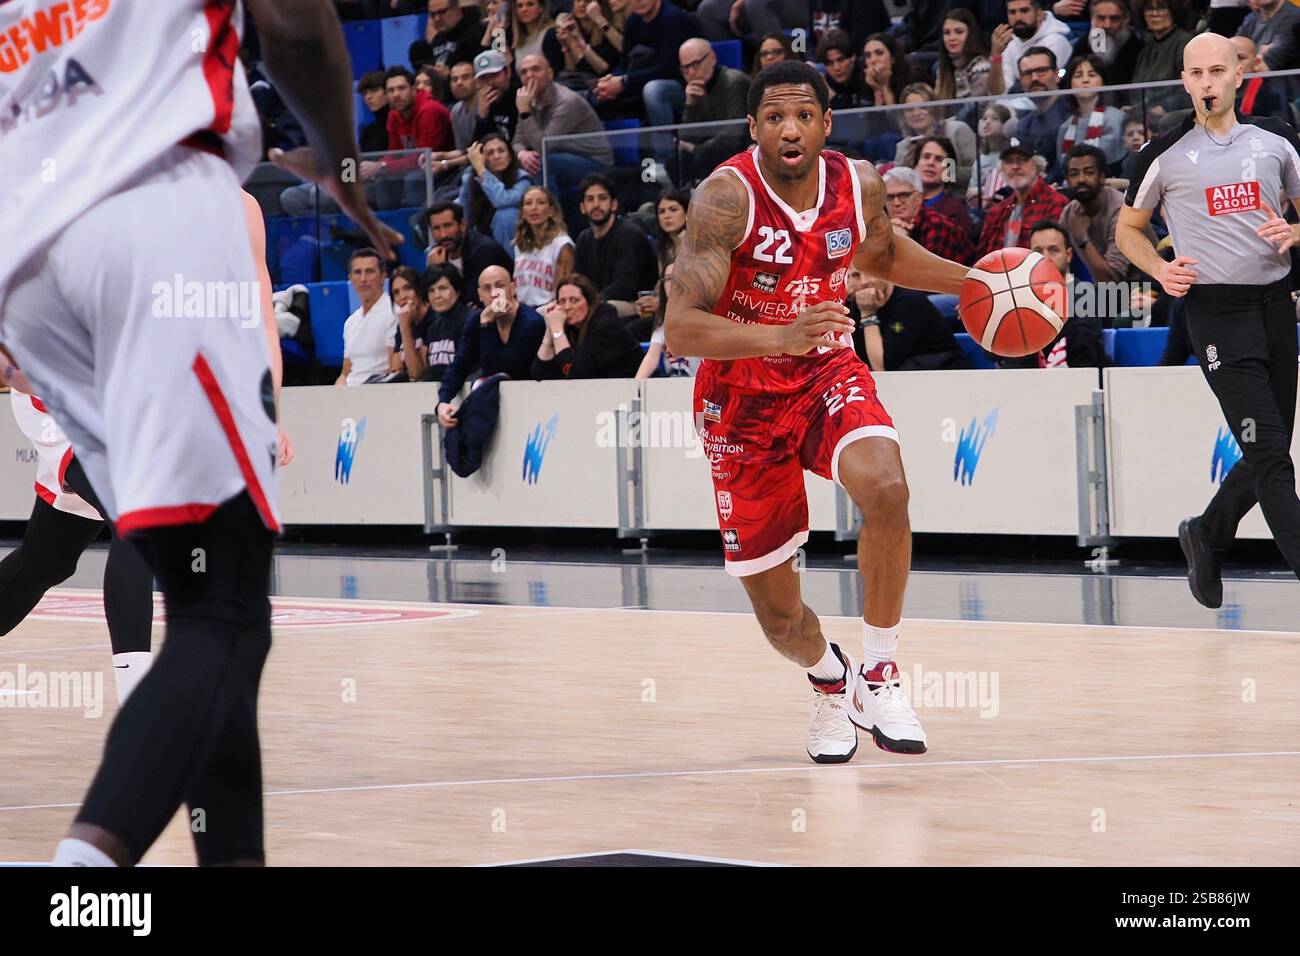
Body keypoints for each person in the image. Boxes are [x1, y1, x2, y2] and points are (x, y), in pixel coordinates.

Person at [0, 0, 400, 868]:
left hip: (23, 249)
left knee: (196, 603)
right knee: (223, 615)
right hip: (151, 224)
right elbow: (295, 24)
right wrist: (342, 158)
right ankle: (85, 879)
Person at [665, 62, 978, 762]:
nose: (789, 128)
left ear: (825, 124)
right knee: (780, 619)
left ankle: (883, 667)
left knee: (887, 486)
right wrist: (778, 334)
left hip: (823, 370)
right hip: (738, 399)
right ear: (754, 128)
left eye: (803, 115)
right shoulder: (725, 198)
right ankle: (831, 681)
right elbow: (681, 328)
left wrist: (980, 280)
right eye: (774, 117)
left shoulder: (856, 182)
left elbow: (885, 252)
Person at [1116, 31, 1300, 608]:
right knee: (1271, 455)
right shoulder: (1163, 155)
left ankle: (1207, 531)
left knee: (1266, 451)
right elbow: (1127, 229)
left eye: (1217, 72)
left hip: (1275, 307)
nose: (1207, 84)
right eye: (1196, 74)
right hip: (1216, 317)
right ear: (1185, 81)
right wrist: (1158, 270)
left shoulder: (1276, 140)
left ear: (1239, 74)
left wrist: (1297, 232)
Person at [511, 53, 614, 232]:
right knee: (531, 163)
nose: (529, 76)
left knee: (542, 164)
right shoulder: (529, 101)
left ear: (550, 74)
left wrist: (525, 111)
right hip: (560, 158)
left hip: (595, 162)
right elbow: (517, 141)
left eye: (536, 69)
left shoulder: (566, 101)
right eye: (524, 72)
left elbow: (543, 144)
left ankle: (552, 228)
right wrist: (521, 154)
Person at [436, 266, 547, 427]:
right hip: (498, 410)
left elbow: (500, 370)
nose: (494, 293)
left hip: (532, 404)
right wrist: (443, 401)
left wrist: (487, 323)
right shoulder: (476, 321)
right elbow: (460, 364)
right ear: (480, 295)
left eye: (500, 286)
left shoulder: (531, 321)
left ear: (512, 288)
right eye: (487, 288)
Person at [1000, 219, 1110, 367]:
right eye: (1038, 251)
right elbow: (992, 353)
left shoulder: (1086, 294)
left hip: (1076, 375)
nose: (1045, 258)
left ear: (1069, 255)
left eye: (1053, 250)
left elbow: (1085, 344)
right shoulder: (1021, 296)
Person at [1059, 143, 1153, 282]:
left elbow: (1110, 281)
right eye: (1074, 174)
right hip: (1098, 293)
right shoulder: (1069, 213)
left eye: (1089, 172)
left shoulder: (1122, 211)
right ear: (1067, 180)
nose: (1081, 179)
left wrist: (1082, 239)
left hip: (1143, 289)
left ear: (1102, 177)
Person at [573, 173, 661, 316]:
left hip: (634, 306)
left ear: (613, 204)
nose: (596, 205)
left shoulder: (629, 234)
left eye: (602, 198)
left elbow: (624, 287)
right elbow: (578, 281)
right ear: (583, 207)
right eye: (590, 199)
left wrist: (588, 302)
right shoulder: (583, 238)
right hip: (596, 302)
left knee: (602, 309)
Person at [848, 274, 972, 371]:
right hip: (905, 380)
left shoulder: (909, 302)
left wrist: (868, 315)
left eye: (871, 273)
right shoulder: (857, 304)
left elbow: (883, 367)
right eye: (855, 275)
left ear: (885, 274)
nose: (864, 281)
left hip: (944, 375)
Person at [533, 274, 645, 378]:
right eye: (562, 301)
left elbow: (574, 371)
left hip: (632, 389)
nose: (567, 307)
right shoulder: (566, 326)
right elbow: (539, 374)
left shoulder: (606, 325)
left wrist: (557, 331)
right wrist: (550, 330)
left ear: (589, 302)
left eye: (574, 300)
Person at [976, 137, 1070, 258]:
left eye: (1023, 160)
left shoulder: (1056, 203)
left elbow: (1055, 258)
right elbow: (981, 259)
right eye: (1009, 161)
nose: (1015, 166)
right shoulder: (997, 211)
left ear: (1037, 165)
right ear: (1002, 168)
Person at [679, 38, 753, 180]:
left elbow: (734, 133)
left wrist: (697, 149)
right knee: (674, 163)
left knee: (703, 157)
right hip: (714, 148)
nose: (691, 73)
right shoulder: (696, 88)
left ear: (712, 58)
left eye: (695, 64)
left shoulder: (734, 82)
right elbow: (686, 138)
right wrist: (690, 104)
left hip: (741, 147)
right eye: (685, 69)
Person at [423, 201, 513, 305]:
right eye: (436, 228)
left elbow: (472, 299)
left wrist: (441, 269)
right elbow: (427, 300)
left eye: (448, 226)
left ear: (463, 225)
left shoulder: (485, 251)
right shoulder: (436, 254)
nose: (443, 234)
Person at [458, 133, 532, 255]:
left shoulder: (523, 179)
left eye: (501, 151)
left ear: (510, 154)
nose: (497, 156)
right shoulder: (469, 180)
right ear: (482, 158)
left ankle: (510, 268)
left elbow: (502, 200)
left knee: (506, 215)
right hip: (482, 242)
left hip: (518, 244)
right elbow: (464, 216)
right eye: (490, 153)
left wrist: (481, 170)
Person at [883, 166, 973, 265]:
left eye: (903, 195)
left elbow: (925, 275)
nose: (896, 203)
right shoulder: (884, 226)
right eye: (890, 197)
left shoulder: (936, 226)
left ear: (920, 197)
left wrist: (900, 242)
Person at [894, 83, 977, 187]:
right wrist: (906, 167)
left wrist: (944, 172)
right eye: (909, 109)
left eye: (923, 107)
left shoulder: (957, 130)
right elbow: (897, 183)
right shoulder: (903, 146)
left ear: (934, 109)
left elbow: (978, 171)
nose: (916, 113)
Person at [1056, 55, 1128, 172]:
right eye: (1078, 76)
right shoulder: (1065, 126)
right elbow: (1062, 163)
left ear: (1102, 82)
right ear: (1070, 84)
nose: (1085, 80)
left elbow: (1114, 154)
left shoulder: (1115, 117)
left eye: (1092, 75)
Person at [338, 248, 398, 386]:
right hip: (349, 393)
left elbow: (393, 370)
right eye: (357, 272)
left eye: (369, 271)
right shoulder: (350, 322)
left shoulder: (393, 312)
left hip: (378, 392)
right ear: (350, 278)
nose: (363, 279)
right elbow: (345, 373)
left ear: (383, 276)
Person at [989, 0, 1075, 94]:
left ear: (1039, 14)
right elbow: (998, 94)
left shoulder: (1056, 41)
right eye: (1012, 12)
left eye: (1024, 11)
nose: (1018, 18)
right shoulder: (1010, 43)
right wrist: (996, 56)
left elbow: (1043, 87)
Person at [512, 186, 576, 307]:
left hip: (549, 310)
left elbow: (563, 291)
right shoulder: (519, 245)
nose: (534, 208)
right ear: (522, 213)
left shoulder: (562, 244)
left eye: (541, 202)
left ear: (551, 210)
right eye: (528, 203)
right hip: (522, 310)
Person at [1131, 0, 1193, 118]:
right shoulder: (1145, 51)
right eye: (1149, 9)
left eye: (1161, 8)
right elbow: (1137, 90)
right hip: (1145, 116)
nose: (1155, 14)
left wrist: (1165, 107)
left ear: (1173, 12)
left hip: (1173, 116)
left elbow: (1191, 87)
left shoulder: (1185, 43)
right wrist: (1135, 108)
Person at [1067, 0, 1143, 88]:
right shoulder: (1082, 47)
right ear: (1092, 18)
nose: (1107, 25)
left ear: (1126, 19)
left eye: (1114, 18)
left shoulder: (1137, 49)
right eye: (1101, 18)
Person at [421, 263, 474, 383]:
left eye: (443, 288)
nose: (436, 296)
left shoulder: (472, 320)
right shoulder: (433, 327)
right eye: (431, 290)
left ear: (457, 290)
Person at [409, 0, 485, 79]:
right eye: (432, 14)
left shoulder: (477, 32)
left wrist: (449, 75)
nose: (437, 18)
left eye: (441, 12)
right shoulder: (437, 39)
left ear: (456, 9)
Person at [934, 8, 993, 102]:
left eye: (959, 32)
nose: (952, 38)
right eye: (947, 33)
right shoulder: (941, 68)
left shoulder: (981, 67)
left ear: (970, 34)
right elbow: (939, 109)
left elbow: (978, 109)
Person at [390, 265, 435, 381]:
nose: (402, 296)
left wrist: (405, 328)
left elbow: (417, 374)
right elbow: (396, 369)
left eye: (407, 288)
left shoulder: (434, 320)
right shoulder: (403, 322)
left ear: (419, 289)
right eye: (396, 292)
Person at [967, 104, 1015, 211]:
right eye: (984, 119)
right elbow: (971, 192)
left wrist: (983, 190)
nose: (987, 122)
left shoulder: (1012, 156)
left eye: (995, 118)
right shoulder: (980, 160)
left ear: (1006, 125)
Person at [1235, 0, 1300, 71]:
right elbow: (1230, 54)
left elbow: (1262, 66)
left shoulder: (1295, 17)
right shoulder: (1250, 19)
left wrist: (1246, 57)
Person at [817, 30, 866, 111]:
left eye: (841, 60)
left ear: (853, 57)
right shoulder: (826, 82)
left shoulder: (866, 78)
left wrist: (831, 96)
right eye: (830, 63)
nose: (837, 68)